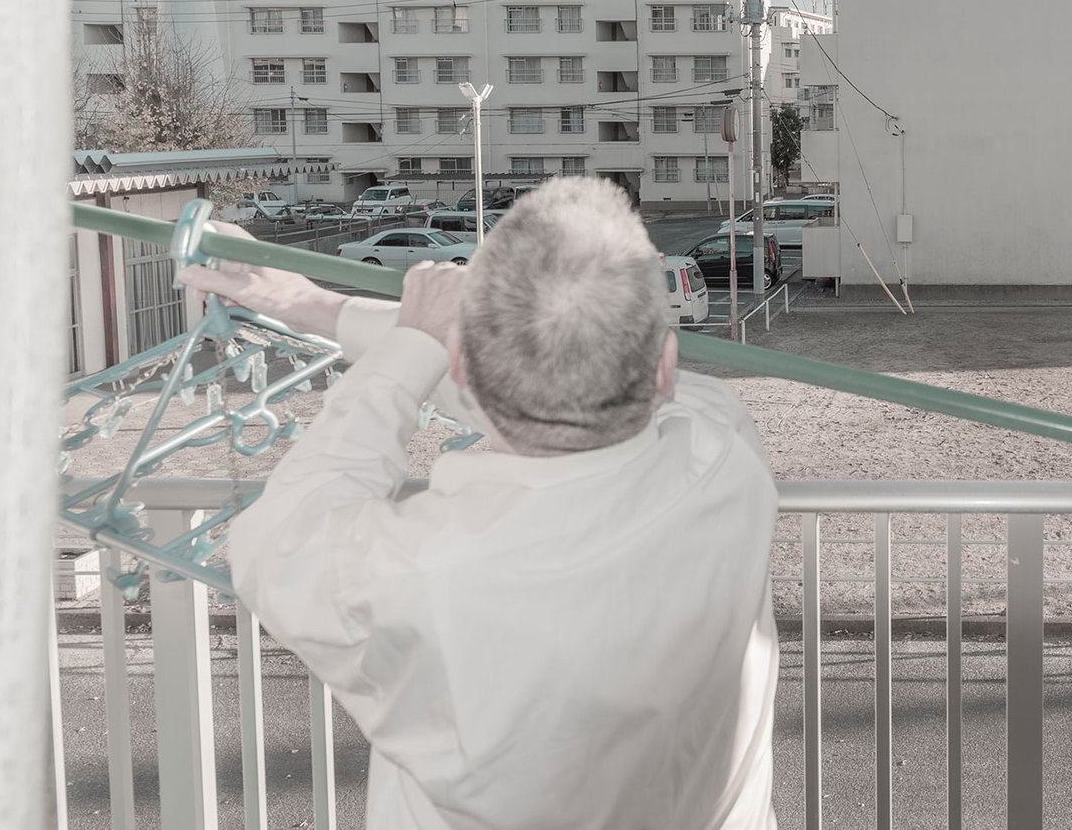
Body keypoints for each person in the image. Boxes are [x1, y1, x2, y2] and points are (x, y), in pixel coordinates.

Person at [181, 179, 779, 830]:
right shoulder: (726, 457)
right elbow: (560, 370)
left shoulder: (423, 571)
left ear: (458, 364)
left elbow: (283, 533)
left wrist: (415, 339)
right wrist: (306, 301)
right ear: (665, 364)